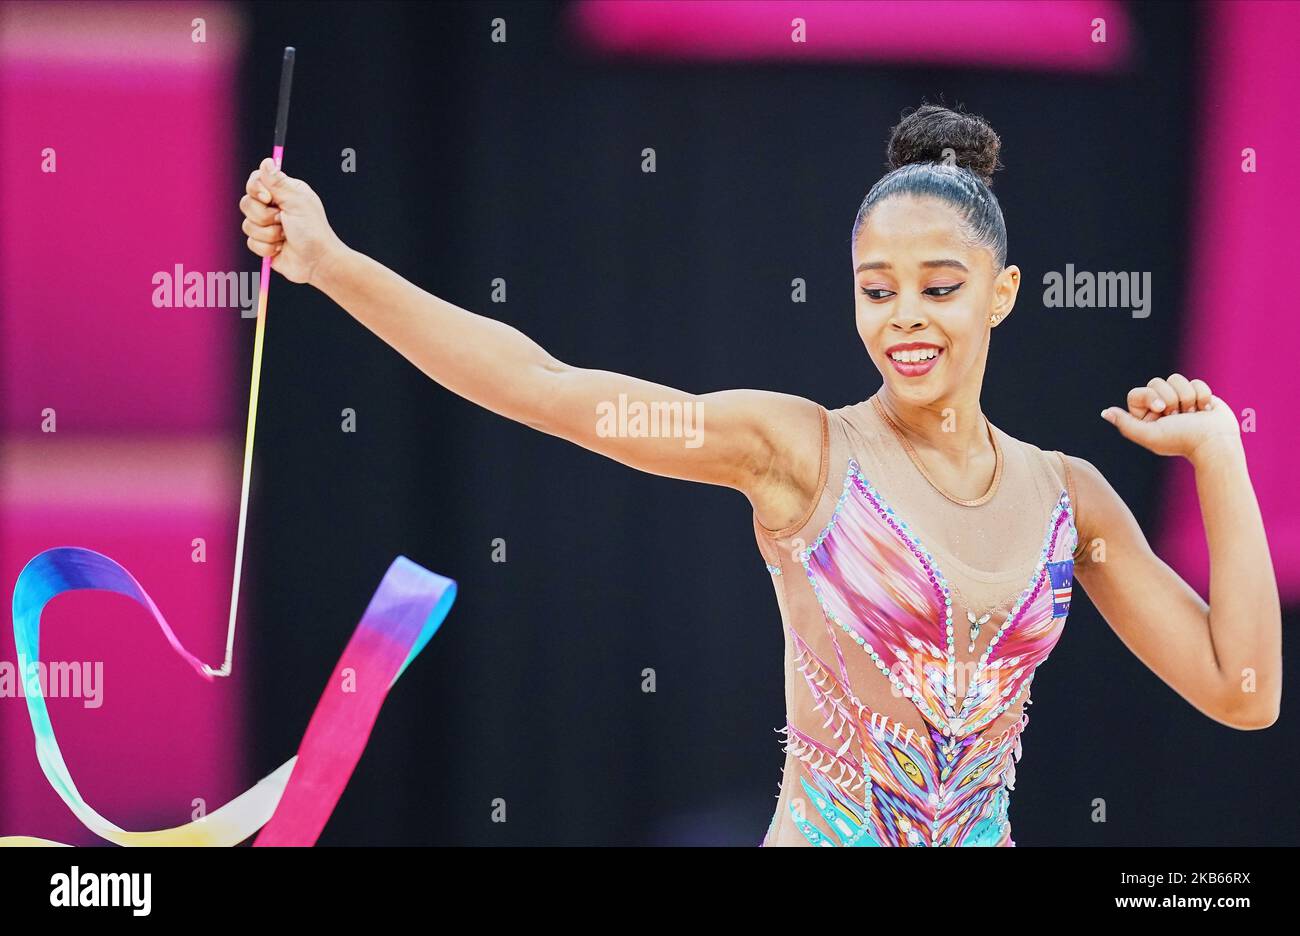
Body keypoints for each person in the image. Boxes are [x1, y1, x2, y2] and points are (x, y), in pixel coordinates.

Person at [237, 103, 1281, 847]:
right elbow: (542, 385)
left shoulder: (1069, 497)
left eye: (939, 287)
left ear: (1001, 294)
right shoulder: (798, 452)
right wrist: (330, 262)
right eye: (877, 290)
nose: (905, 317)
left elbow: (1243, 695)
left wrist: (1220, 455)